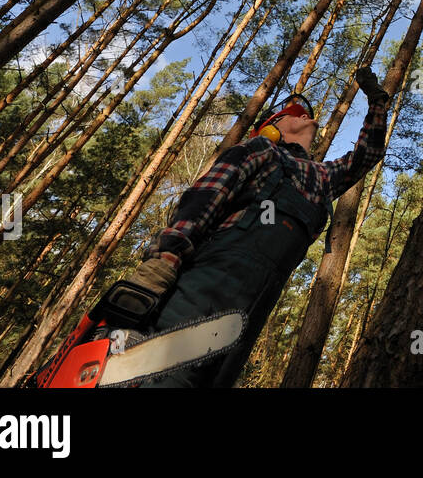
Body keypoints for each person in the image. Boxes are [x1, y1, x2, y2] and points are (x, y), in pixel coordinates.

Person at [109, 67, 391, 387]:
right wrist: (164, 261)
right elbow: (203, 200)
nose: (304, 114)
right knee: (160, 377)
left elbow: (368, 154)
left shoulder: (320, 178)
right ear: (270, 128)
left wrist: (377, 100)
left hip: (249, 315)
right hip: (203, 287)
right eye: (292, 113)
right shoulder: (257, 150)